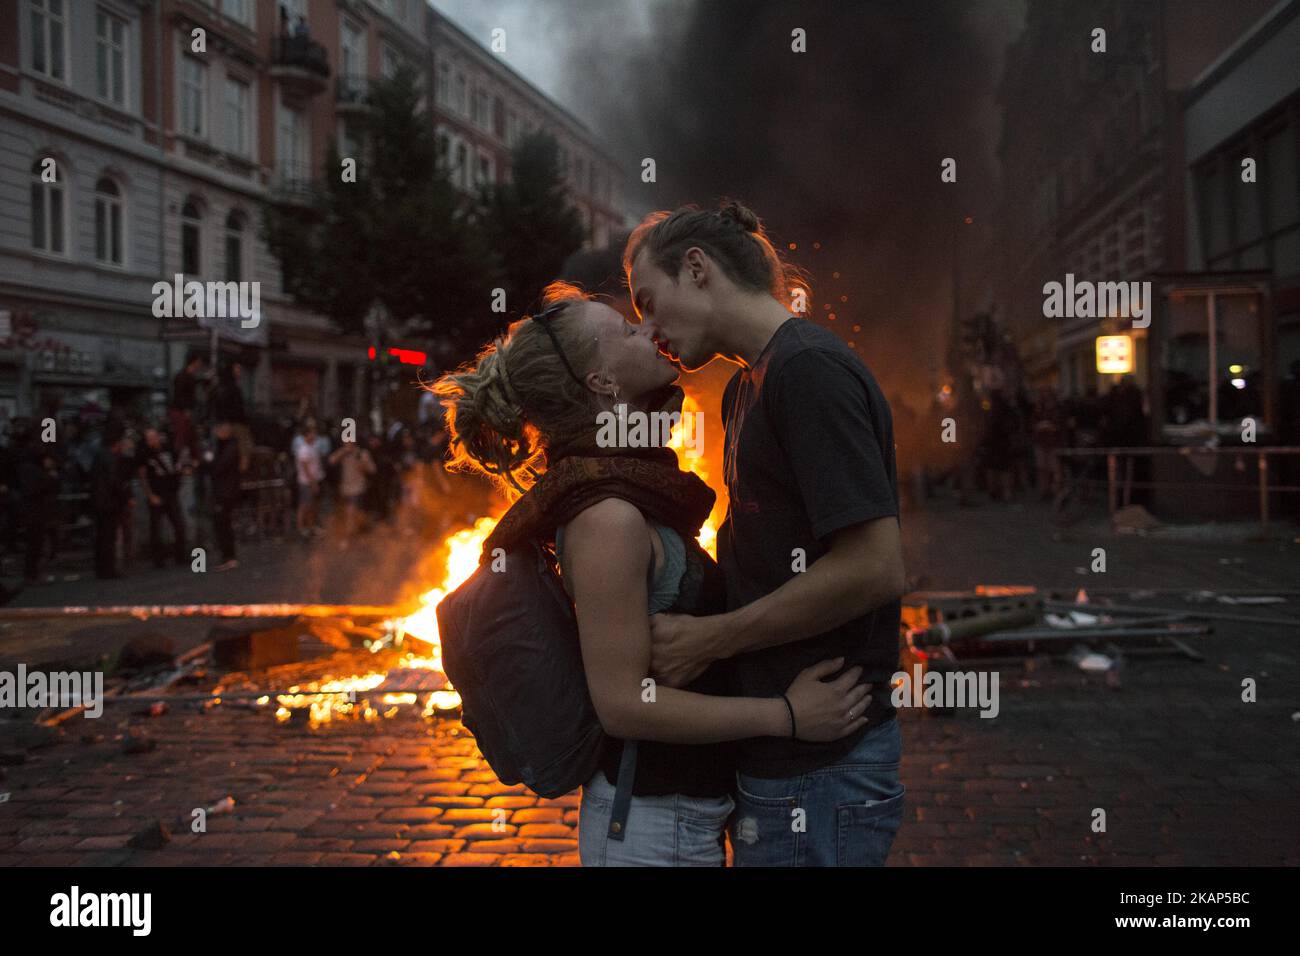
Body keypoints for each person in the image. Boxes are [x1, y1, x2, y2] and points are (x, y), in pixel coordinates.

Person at [434, 282, 870, 866]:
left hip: (679, 819)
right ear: (601, 383)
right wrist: (787, 717)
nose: (646, 329)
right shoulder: (606, 517)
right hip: (649, 827)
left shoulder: (628, 489)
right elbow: (623, 705)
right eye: (625, 332)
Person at [624, 201, 906, 866]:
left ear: (696, 269)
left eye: (647, 301)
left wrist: (712, 637)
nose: (648, 328)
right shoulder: (745, 387)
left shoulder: (808, 370)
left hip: (823, 765)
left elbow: (875, 567)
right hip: (786, 756)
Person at [137, 427, 187, 568]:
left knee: (179, 524)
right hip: (156, 493)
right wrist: (150, 494)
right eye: (149, 439)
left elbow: (177, 465)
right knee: (156, 528)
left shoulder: (168, 449)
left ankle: (180, 555)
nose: (152, 441)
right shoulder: (144, 453)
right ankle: (158, 559)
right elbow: (143, 476)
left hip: (170, 492)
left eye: (154, 438)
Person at [90, 422, 130, 579]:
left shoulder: (100, 456)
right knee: (108, 537)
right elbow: (114, 482)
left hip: (100, 501)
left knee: (102, 537)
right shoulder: (111, 459)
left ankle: (102, 568)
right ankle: (108, 569)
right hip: (109, 503)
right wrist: (125, 495)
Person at [328, 439, 376, 541]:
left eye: (349, 443)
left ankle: (349, 535)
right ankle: (353, 531)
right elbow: (331, 460)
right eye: (345, 443)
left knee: (351, 511)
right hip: (345, 488)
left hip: (358, 488)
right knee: (349, 512)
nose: (347, 445)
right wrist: (343, 451)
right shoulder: (343, 453)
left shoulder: (362, 453)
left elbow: (372, 469)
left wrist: (363, 466)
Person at [211, 421, 241, 571]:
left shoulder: (229, 447)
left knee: (223, 524)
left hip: (225, 492)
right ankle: (228, 556)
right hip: (225, 490)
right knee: (223, 524)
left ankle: (229, 557)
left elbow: (219, 466)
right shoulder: (226, 446)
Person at [293, 419, 327, 539]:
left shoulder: (312, 447)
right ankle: (302, 528)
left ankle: (311, 526)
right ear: (307, 435)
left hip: (314, 480)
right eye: (312, 433)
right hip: (306, 482)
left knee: (311, 505)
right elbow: (306, 469)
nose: (315, 435)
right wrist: (313, 483)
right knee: (304, 505)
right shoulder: (304, 449)